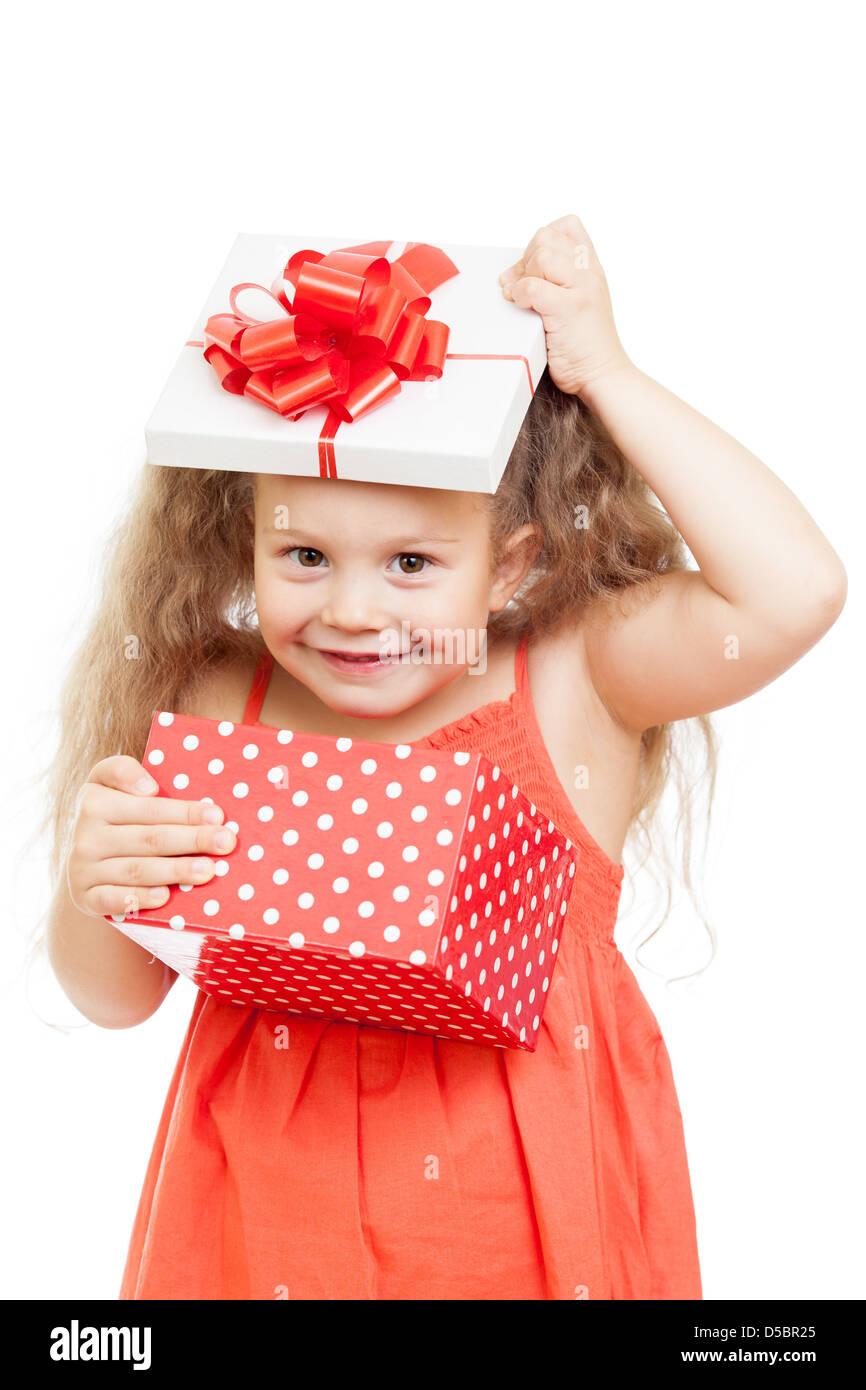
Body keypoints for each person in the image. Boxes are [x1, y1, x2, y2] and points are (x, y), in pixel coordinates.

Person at [40, 215, 847, 1299]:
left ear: (509, 566)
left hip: (521, 1235)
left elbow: (792, 593)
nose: (355, 609)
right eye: (305, 554)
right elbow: (115, 998)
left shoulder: (569, 678)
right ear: (246, 541)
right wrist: (94, 885)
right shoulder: (219, 696)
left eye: (413, 561)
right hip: (265, 1226)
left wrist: (606, 373)